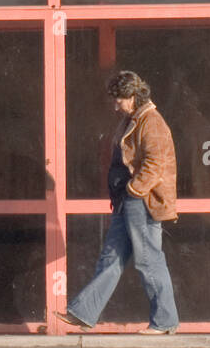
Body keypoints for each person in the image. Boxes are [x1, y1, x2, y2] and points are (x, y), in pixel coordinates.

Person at [56, 71, 180, 334]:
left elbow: (155, 163)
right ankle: (83, 312)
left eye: (119, 99)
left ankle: (165, 321)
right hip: (129, 201)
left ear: (133, 96)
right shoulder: (134, 119)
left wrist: (134, 189)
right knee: (110, 257)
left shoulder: (151, 122)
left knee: (149, 260)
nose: (115, 105)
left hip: (142, 202)